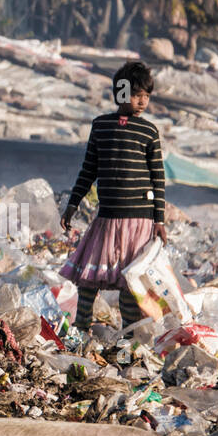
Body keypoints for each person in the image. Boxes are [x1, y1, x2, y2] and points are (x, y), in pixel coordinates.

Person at [60, 60, 167, 334]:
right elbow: (89, 170)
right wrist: (72, 204)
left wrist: (160, 221)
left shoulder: (149, 132)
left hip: (139, 221)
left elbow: (158, 177)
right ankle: (81, 327)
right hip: (107, 217)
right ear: (120, 93)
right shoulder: (101, 126)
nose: (142, 101)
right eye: (136, 94)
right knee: (89, 277)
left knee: (129, 283)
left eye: (146, 96)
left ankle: (127, 337)